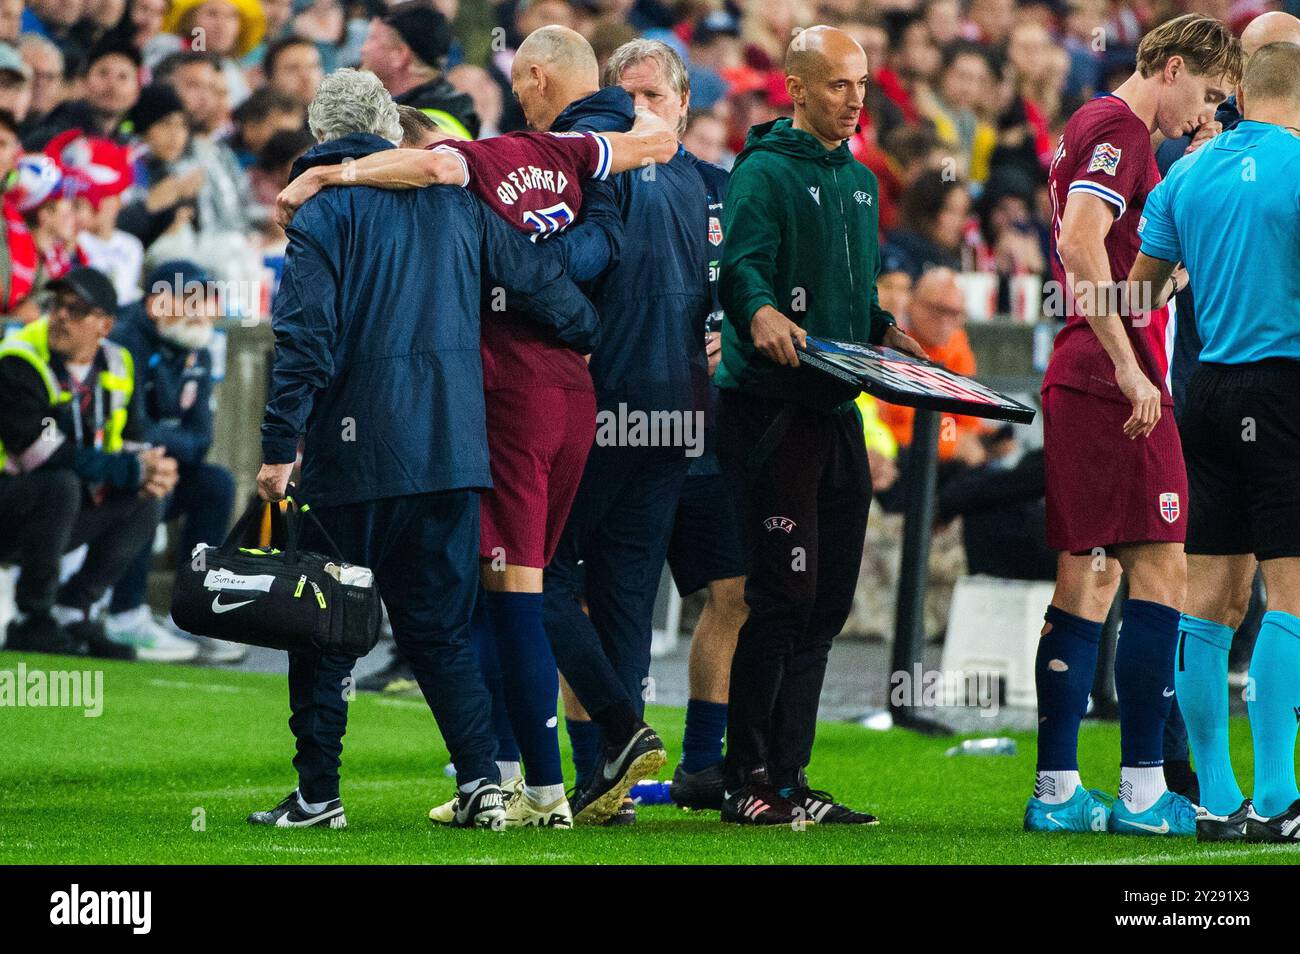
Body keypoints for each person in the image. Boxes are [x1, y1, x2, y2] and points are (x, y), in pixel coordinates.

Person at [275, 28, 675, 828]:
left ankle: (512, 788)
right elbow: (551, 260)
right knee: (487, 608)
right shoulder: (542, 171)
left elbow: (308, 330)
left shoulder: (417, 183)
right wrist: (582, 325)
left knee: (365, 613)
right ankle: (495, 779)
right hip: (514, 419)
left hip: (420, 430)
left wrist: (333, 172)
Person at [1022, 13, 1241, 837]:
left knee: (1090, 578)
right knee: (1163, 573)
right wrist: (1125, 360)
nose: (1207, 115)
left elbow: (1102, 262)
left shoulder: (1092, 123)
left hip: (1084, 373)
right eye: (1210, 95)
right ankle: (1148, 792)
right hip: (1111, 381)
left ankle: (1056, 792)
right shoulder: (1119, 127)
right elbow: (1080, 243)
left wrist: (1163, 285)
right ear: (1174, 65)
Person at [715, 25, 925, 826]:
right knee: (782, 595)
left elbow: (851, 291)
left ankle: (792, 779)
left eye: (862, 84)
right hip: (772, 411)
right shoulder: (762, 172)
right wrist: (760, 311)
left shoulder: (865, 183)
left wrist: (881, 326)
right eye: (839, 85)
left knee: (827, 601)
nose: (855, 99)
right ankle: (747, 780)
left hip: (839, 408)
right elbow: (740, 269)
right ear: (796, 88)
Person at [1128, 41, 1300, 842]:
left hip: (1206, 392)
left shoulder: (1187, 173)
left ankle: (1216, 800)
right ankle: (1277, 798)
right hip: (1283, 388)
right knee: (1291, 600)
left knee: (1211, 607)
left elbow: (1138, 290)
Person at [541, 38, 713, 825]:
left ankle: (612, 736)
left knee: (536, 576)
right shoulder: (694, 183)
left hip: (610, 407)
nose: (640, 110)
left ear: (681, 104)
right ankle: (605, 785)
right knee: (621, 601)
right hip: (673, 414)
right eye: (628, 97)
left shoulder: (604, 171)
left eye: (653, 97)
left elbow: (577, 268)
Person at [0, 265, 178, 658]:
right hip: (13, 500)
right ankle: (32, 617)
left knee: (147, 498)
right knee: (59, 483)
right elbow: (37, 451)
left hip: (60, 506)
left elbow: (130, 442)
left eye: (76, 309)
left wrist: (151, 470)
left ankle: (72, 609)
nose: (60, 316)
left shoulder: (119, 363)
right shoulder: (19, 358)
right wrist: (129, 470)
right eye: (56, 305)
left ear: (104, 325)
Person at [104, 259, 241, 664]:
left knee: (216, 485)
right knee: (151, 479)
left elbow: (201, 440)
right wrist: (159, 442)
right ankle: (125, 612)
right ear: (156, 304)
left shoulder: (195, 346)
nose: (203, 313)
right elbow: (129, 430)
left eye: (207, 302)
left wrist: (159, 440)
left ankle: (191, 613)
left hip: (158, 465)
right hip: (110, 472)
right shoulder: (122, 340)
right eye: (192, 301)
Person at [360, 1, 478, 141]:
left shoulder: (421, 132)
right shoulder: (449, 109)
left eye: (372, 39)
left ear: (400, 53)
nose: (363, 49)